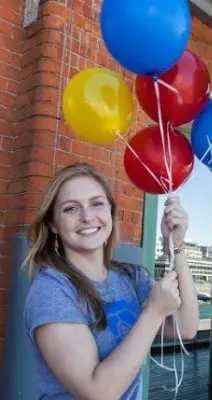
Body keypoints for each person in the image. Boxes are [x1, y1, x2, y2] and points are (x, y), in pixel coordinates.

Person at [23, 162, 199, 400]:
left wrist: (176, 244)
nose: (87, 217)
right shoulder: (51, 289)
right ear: (53, 224)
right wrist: (153, 312)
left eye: (97, 204)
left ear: (110, 213)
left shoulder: (132, 277)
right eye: (70, 209)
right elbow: (97, 392)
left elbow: (186, 328)